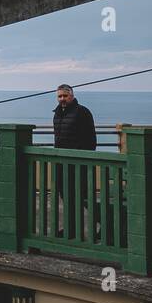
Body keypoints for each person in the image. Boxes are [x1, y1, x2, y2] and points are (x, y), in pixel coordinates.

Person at [52, 84, 97, 235]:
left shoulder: (83, 112)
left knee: (81, 197)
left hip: (78, 162)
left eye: (65, 96)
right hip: (61, 162)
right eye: (60, 96)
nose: (62, 99)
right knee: (65, 195)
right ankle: (71, 229)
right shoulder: (57, 114)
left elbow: (91, 139)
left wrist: (84, 158)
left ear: (72, 95)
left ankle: (107, 224)